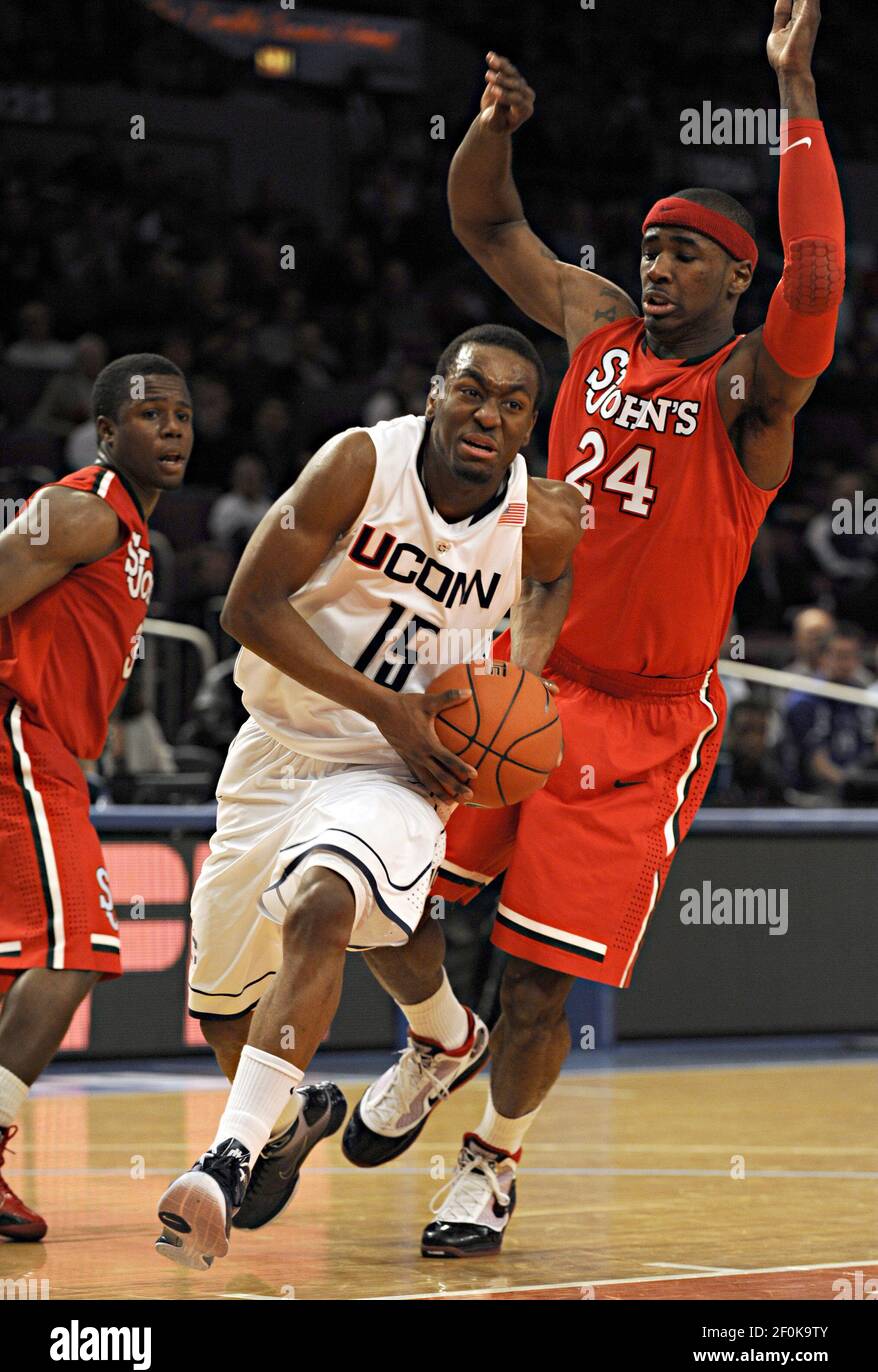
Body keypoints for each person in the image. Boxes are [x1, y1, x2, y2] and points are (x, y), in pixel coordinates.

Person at [340, 1, 847, 1256]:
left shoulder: (746, 394)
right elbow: (484, 221)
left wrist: (792, 96)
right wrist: (492, 125)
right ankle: (431, 1038)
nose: (660, 267)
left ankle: (490, 1164)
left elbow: (822, 279)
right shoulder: (591, 327)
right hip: (524, 672)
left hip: (645, 717)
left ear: (737, 277)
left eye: (687, 254)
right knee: (384, 893)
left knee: (538, 974)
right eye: (649, 248)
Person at [154, 324, 582, 1270]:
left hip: (404, 768)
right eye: (473, 391)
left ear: (529, 424)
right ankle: (328, 1096)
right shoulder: (360, 463)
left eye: (515, 403)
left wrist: (528, 678)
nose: (490, 414)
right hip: (275, 750)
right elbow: (246, 608)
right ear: (434, 391)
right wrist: (388, 708)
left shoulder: (541, 515)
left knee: (326, 905)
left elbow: (553, 575)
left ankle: (224, 1162)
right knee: (223, 1006)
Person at [0, 353, 192, 1239]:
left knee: (14, 965)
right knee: (79, 945)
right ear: (109, 434)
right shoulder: (81, 510)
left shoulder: (137, 537)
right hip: (18, 739)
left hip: (52, 753)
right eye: (152, 416)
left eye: (183, 414)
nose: (175, 427)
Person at [782, 623, 875, 799]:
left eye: (852, 656)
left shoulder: (862, 697)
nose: (846, 664)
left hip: (858, 789)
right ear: (823, 658)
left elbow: (869, 748)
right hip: (812, 795)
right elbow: (815, 762)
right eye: (840, 656)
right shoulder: (804, 701)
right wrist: (851, 785)